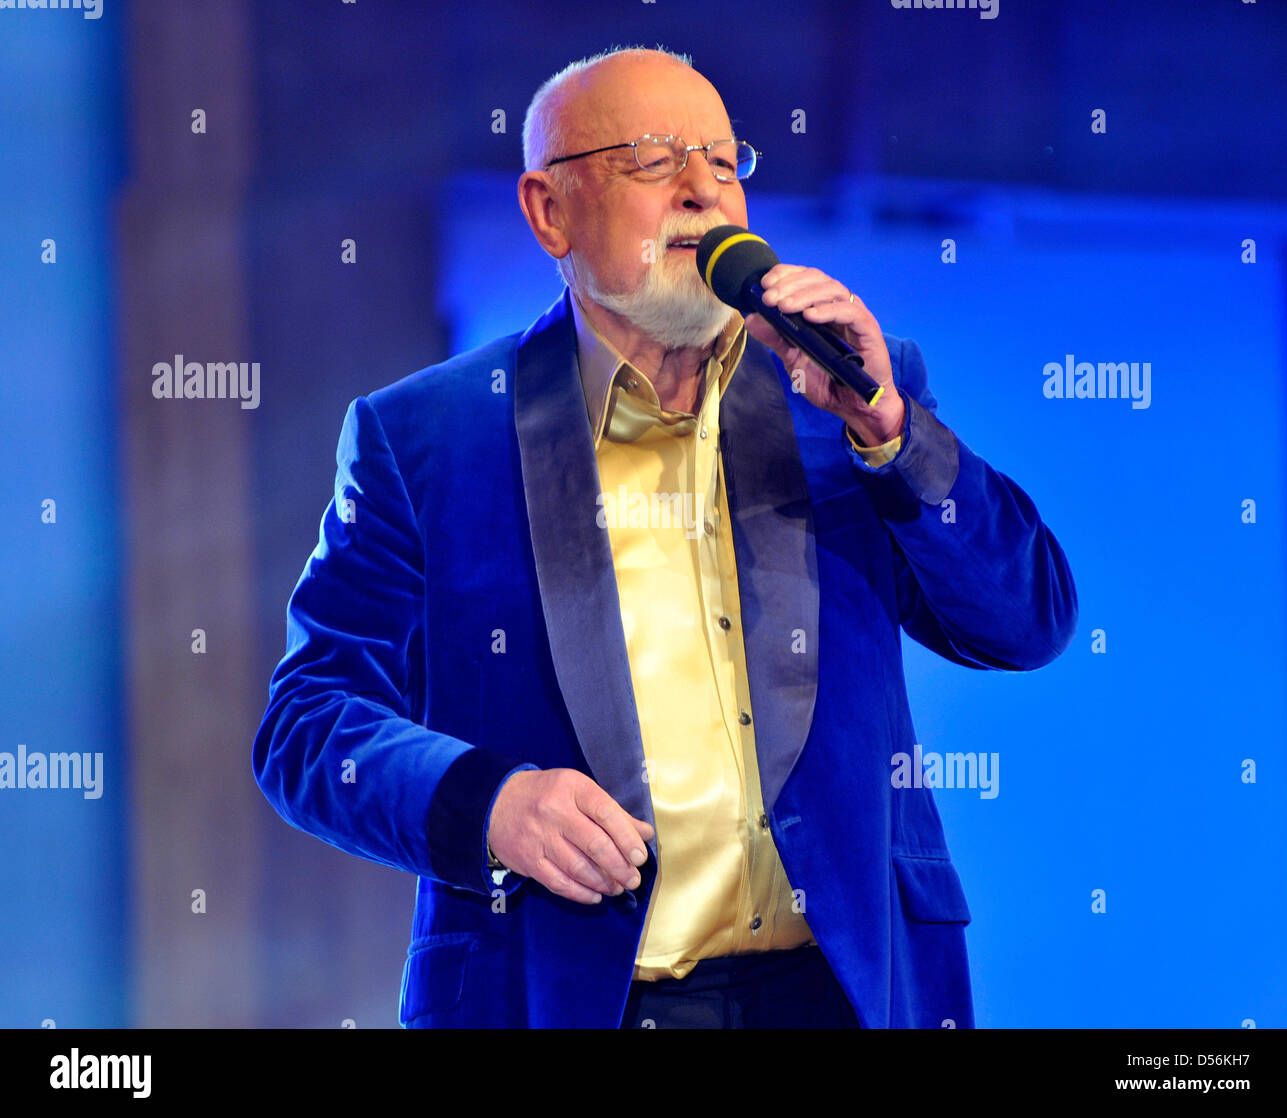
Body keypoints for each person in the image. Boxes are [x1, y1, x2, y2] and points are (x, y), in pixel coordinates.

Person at [252, 46, 1078, 1029]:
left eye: (724, 165)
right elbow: (306, 721)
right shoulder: (428, 437)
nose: (701, 191)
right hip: (574, 996)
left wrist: (892, 433)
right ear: (548, 208)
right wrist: (490, 805)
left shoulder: (845, 390)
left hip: (846, 990)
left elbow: (1025, 621)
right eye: (653, 161)